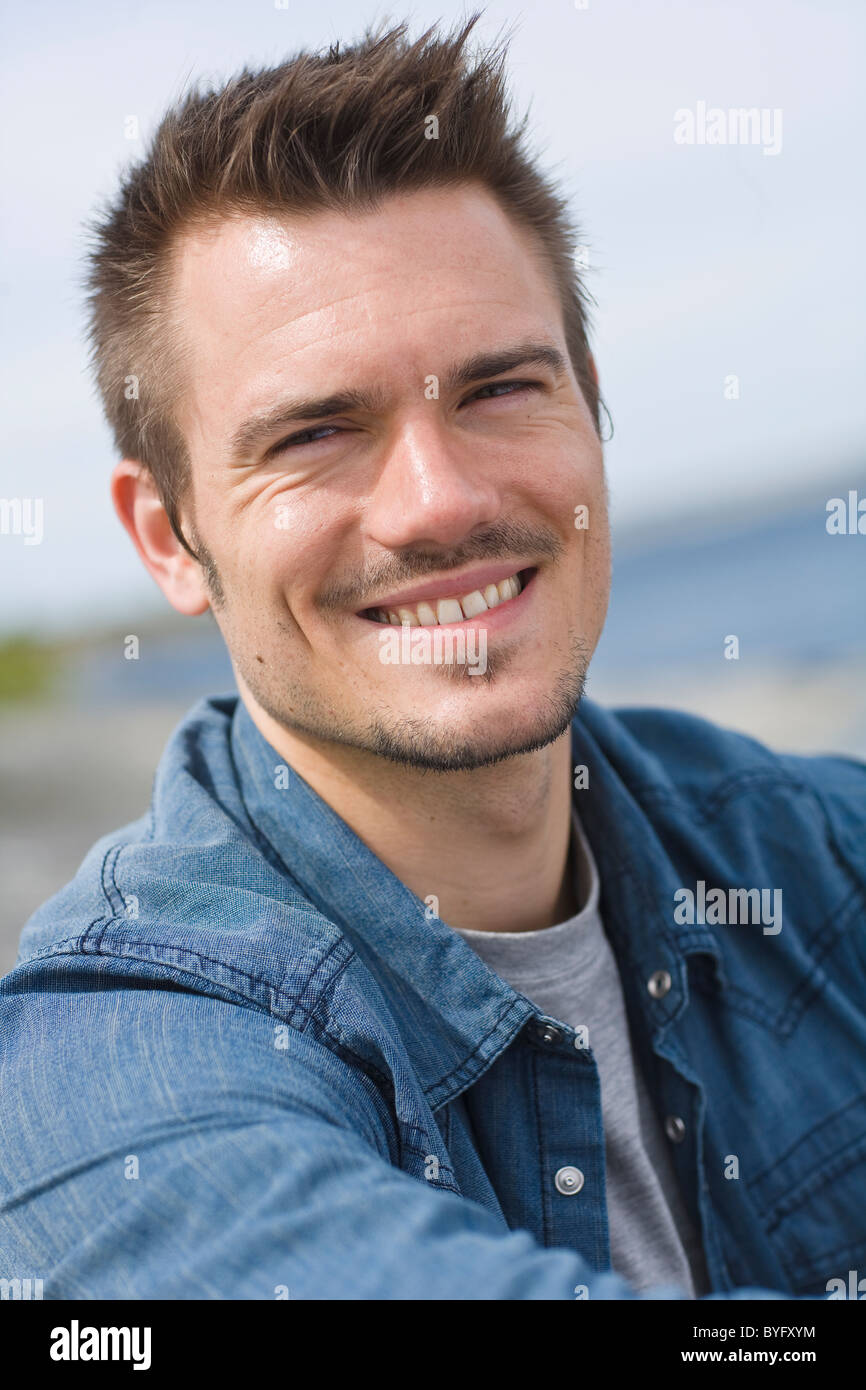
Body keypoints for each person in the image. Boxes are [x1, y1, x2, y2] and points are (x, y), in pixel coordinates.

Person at [1, 15, 864, 1301]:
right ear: (169, 539)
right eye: (313, 432)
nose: (438, 502)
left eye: (499, 389)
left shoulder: (811, 852)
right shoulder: (111, 1069)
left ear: (590, 398)